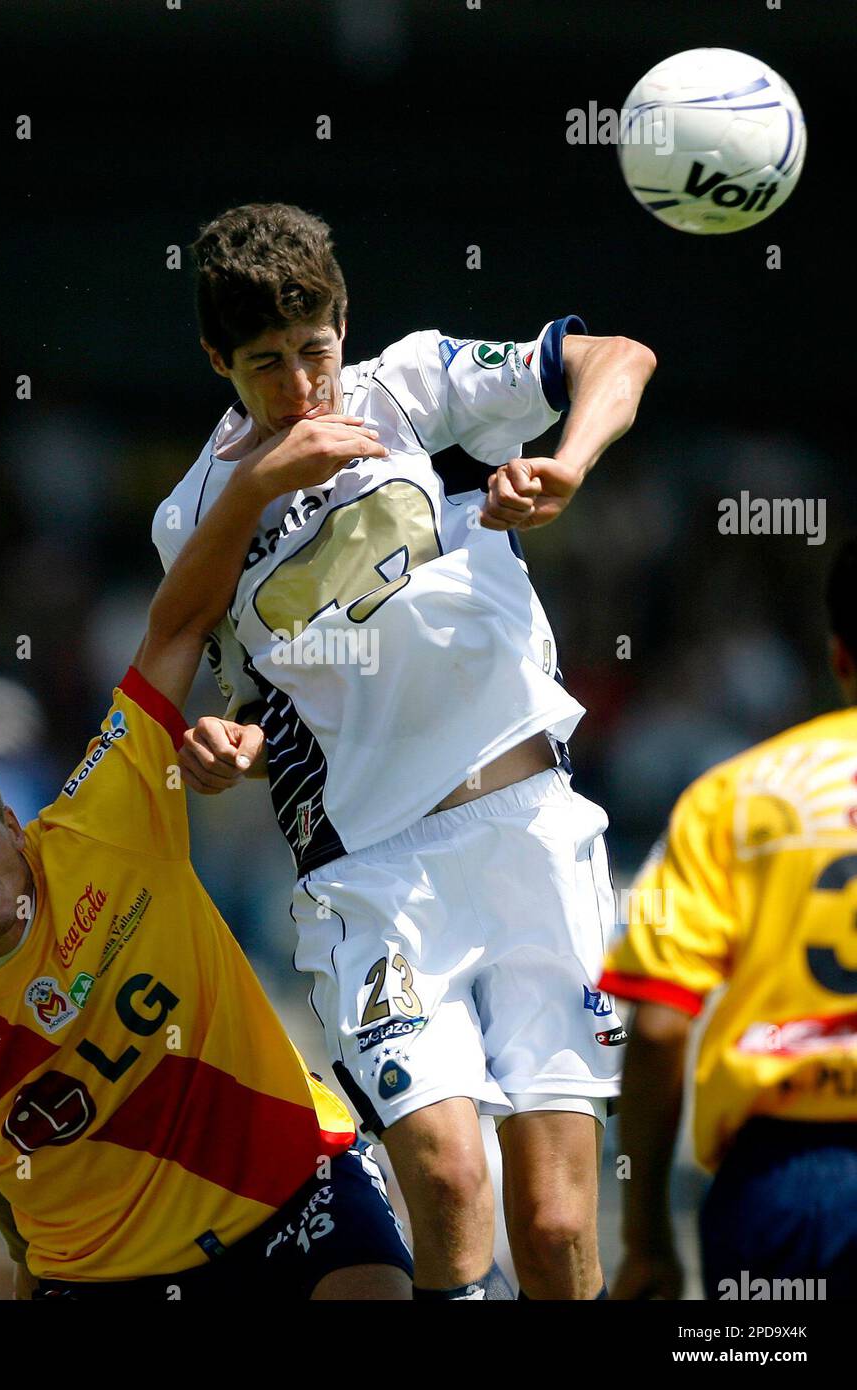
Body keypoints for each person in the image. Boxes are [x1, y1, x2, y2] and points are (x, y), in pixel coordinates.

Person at [152, 202, 657, 1299]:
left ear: (345, 322)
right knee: (445, 1175)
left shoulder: (411, 385)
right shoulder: (195, 511)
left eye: (314, 349)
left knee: (559, 1217)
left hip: (528, 833)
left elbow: (619, 358)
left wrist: (564, 463)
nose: (300, 387)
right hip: (373, 875)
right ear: (214, 361)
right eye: (263, 364)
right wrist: (221, 745)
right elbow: (236, 694)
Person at [0, 417, 414, 1300]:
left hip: (290, 1181)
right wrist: (42, 1272)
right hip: (108, 1272)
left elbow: (175, 629)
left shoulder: (105, 819)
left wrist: (251, 490)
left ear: (12, 820)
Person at [602, 536, 857, 1300]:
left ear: (839, 654)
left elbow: (657, 1027)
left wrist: (646, 1239)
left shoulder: (736, 796)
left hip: (783, 1189)